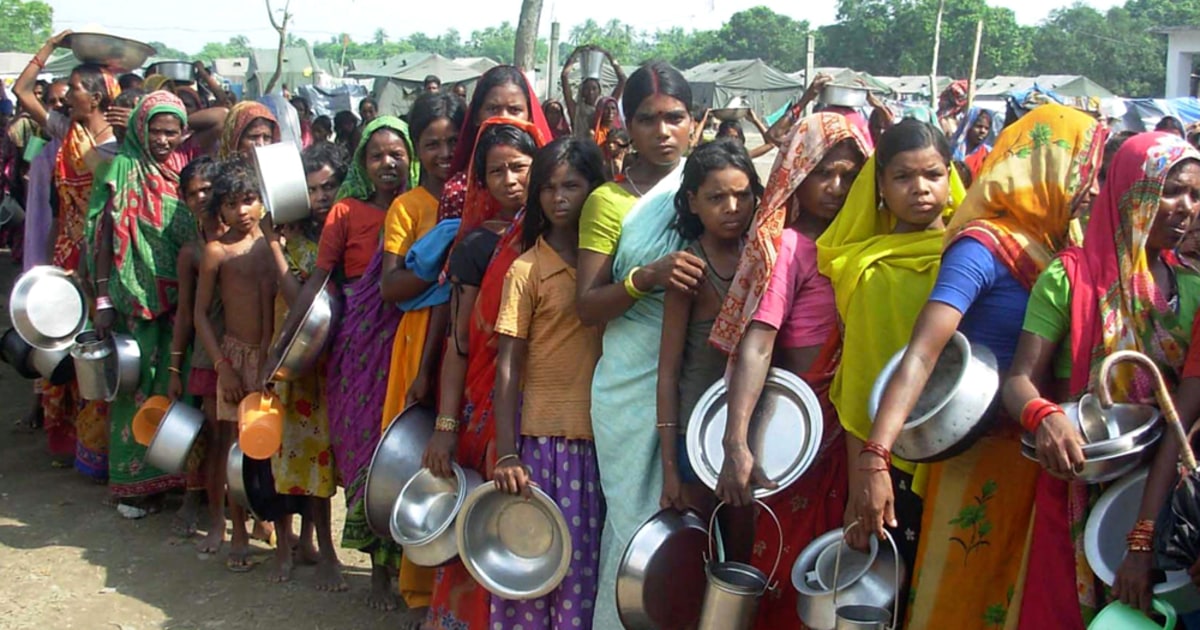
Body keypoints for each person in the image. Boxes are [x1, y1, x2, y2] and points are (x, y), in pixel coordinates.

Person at [860, 104, 1107, 628]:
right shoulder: (982, 248)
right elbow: (923, 352)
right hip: (982, 456)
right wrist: (875, 457)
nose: (1089, 185)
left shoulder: (1064, 246)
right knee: (962, 596)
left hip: (1042, 458)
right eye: (1082, 168)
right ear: (1043, 167)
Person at [1002, 132, 1200, 628]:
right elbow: (1020, 379)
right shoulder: (1070, 279)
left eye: (1196, 195)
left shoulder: (1193, 289)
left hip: (1167, 489)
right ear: (1132, 191)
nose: (1185, 208)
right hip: (1080, 475)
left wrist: (1143, 536)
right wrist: (1043, 415)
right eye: (1172, 191)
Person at [710, 112, 871, 628]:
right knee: (790, 560)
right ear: (797, 171)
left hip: (856, 431)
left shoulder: (867, 244)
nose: (836, 187)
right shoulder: (791, 248)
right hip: (803, 433)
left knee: (845, 564)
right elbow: (758, 342)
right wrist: (736, 442)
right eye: (823, 173)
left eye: (850, 174)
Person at [818, 119, 967, 592]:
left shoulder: (975, 255)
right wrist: (864, 477)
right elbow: (859, 384)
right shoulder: (867, 270)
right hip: (891, 465)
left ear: (951, 177)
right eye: (903, 177)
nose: (920, 189)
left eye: (933, 175)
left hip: (966, 449)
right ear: (879, 186)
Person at [574, 61, 697, 627]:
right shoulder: (608, 202)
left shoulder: (709, 187)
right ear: (627, 126)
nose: (663, 131)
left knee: (689, 521)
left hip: (697, 377)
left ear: (693, 123)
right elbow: (586, 304)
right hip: (628, 382)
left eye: (675, 117)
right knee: (634, 524)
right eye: (648, 119)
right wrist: (645, 278)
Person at [421, 118, 548, 630]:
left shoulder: (569, 239)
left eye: (519, 167)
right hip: (486, 407)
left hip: (549, 407)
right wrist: (446, 426)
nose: (509, 180)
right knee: (482, 522)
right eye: (495, 172)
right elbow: (458, 347)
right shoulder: (476, 247)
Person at [490, 136, 607, 630]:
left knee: (583, 571)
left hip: (600, 438)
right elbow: (507, 366)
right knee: (533, 564)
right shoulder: (526, 270)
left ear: (594, 191)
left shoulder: (608, 266)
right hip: (542, 445)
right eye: (549, 188)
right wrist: (507, 451)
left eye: (573, 186)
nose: (559, 198)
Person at [89, 91, 210, 520]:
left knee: (174, 391)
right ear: (140, 129)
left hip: (179, 303)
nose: (163, 139)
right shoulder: (119, 169)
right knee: (135, 392)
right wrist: (102, 297)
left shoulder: (181, 171)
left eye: (172, 131)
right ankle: (134, 487)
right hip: (132, 300)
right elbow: (103, 237)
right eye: (156, 131)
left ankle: (175, 478)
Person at [14, 32, 122, 477]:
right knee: (63, 346)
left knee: (96, 351)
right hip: (64, 252)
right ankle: (71, 441)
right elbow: (21, 90)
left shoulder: (118, 142)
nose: (67, 94)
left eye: (75, 87)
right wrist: (50, 48)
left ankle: (100, 450)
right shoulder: (66, 131)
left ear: (95, 97)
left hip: (100, 254)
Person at [316, 115, 413, 611]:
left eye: (396, 153)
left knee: (404, 455)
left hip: (407, 340)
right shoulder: (345, 212)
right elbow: (321, 281)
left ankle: (408, 573)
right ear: (362, 162)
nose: (388, 163)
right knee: (366, 454)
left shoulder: (423, 209)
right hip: (358, 346)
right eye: (376, 155)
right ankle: (377, 575)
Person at [376, 92, 465, 617]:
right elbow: (392, 285)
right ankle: (416, 587)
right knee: (416, 460)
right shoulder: (408, 207)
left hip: (458, 337)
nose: (444, 151)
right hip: (415, 343)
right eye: (432, 143)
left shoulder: (480, 197)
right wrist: (444, 263)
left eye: (454, 140)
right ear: (417, 148)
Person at [656, 139, 760, 551]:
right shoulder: (689, 272)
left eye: (742, 195)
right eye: (717, 197)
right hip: (698, 439)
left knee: (747, 548)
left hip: (756, 429)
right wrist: (669, 469)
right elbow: (667, 373)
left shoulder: (765, 259)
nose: (732, 207)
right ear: (693, 202)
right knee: (702, 555)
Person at [260, 141, 348, 589]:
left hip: (326, 365)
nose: (323, 196)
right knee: (284, 460)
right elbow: (290, 301)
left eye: (331, 185)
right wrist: (273, 244)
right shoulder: (289, 238)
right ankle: (284, 546)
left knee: (319, 463)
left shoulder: (341, 233)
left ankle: (323, 548)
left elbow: (307, 299)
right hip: (289, 363)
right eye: (313, 189)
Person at [193, 156, 276, 571]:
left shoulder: (272, 243)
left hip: (275, 358)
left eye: (249, 200)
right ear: (219, 210)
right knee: (233, 449)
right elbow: (200, 314)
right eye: (231, 204)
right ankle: (236, 528)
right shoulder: (217, 252)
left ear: (263, 201)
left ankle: (271, 521)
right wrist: (222, 365)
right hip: (236, 357)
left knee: (273, 445)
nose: (241, 211)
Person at [166, 156, 224, 539]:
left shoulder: (245, 237)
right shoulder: (191, 252)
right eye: (193, 193)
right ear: (183, 200)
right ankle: (210, 511)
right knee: (215, 435)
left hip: (248, 347)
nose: (201, 197)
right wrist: (174, 367)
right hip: (207, 350)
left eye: (207, 189)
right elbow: (186, 312)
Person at [561, 45, 626, 141]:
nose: (590, 92)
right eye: (587, 89)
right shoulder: (576, 110)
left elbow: (623, 80)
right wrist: (575, 54)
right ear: (582, 91)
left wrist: (609, 56)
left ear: (599, 90)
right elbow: (564, 76)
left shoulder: (607, 107)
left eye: (594, 88)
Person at [951, 108, 995, 178]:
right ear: (968, 127)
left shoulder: (988, 154)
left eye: (986, 128)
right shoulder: (951, 151)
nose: (983, 131)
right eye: (978, 126)